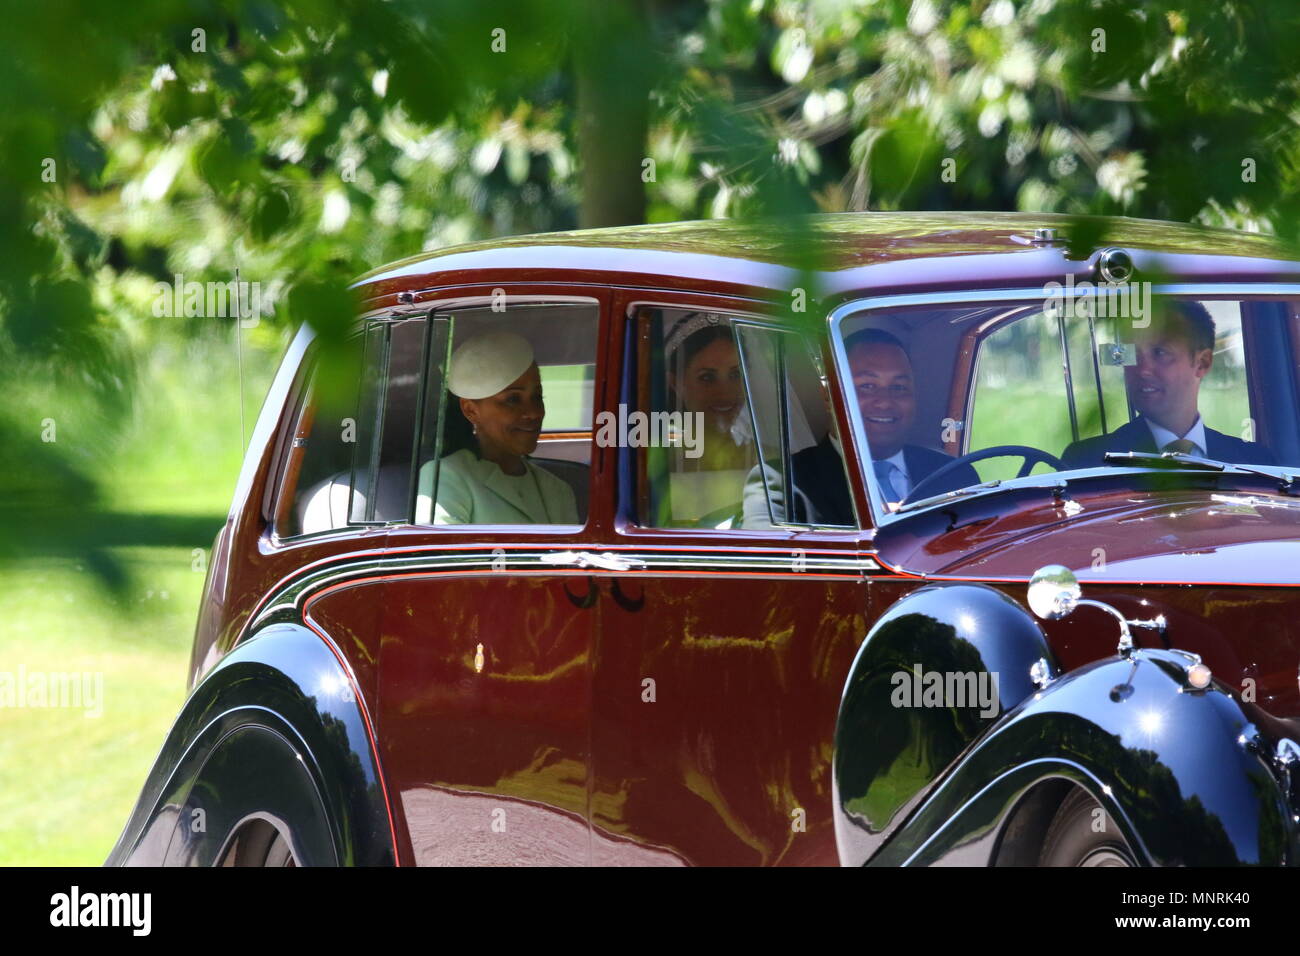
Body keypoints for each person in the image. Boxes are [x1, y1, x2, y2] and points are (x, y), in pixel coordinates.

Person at [743, 328, 979, 526]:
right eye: (867, 386)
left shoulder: (955, 474)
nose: (885, 401)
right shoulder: (782, 482)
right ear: (828, 396)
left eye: (899, 388)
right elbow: (775, 569)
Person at [1059, 300, 1275, 468]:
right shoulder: (1086, 461)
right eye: (1132, 354)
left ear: (1202, 363)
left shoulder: (1255, 463)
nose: (1142, 369)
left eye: (1160, 353)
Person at [416, 330, 579, 525]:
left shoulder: (557, 489)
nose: (534, 412)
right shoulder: (445, 476)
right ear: (471, 411)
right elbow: (443, 553)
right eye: (512, 400)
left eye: (537, 396)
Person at [650, 313, 757, 526]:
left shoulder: (768, 461)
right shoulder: (656, 465)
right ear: (675, 384)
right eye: (707, 378)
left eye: (735, 375)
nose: (725, 393)